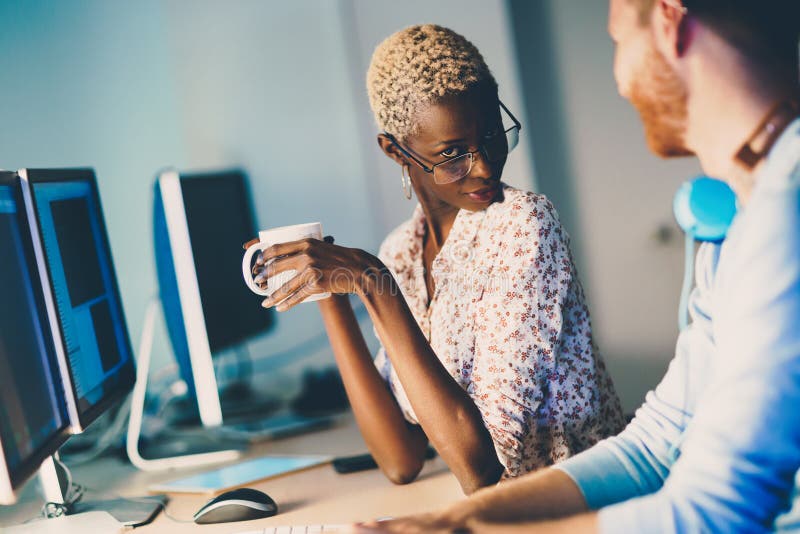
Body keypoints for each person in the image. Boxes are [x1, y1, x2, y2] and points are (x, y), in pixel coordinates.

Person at [349, 0, 800, 532]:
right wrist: (458, 517)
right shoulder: (749, 219)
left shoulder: (785, 215)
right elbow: (655, 444)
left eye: (617, 39)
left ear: (669, 19)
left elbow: (718, 511)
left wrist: (475, 530)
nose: (620, 81)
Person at [248, 24, 623, 494]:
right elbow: (400, 458)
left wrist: (372, 282)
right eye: (452, 154)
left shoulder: (523, 226)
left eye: (492, 135)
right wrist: (329, 293)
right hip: (502, 515)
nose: (484, 166)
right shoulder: (401, 252)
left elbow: (482, 469)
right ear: (395, 151)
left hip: (579, 503)